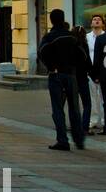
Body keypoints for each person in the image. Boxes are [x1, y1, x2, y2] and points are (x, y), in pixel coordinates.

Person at [38, 10, 89, 151]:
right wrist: (73, 67)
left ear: (51, 20)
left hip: (56, 75)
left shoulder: (49, 37)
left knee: (58, 108)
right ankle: (79, 140)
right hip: (71, 75)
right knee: (75, 108)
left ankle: (62, 140)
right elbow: (82, 55)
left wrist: (51, 66)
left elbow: (42, 53)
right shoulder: (72, 37)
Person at [85, 15, 106, 132]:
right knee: (92, 97)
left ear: (103, 23)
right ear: (91, 23)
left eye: (99, 19)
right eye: (94, 19)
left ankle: (104, 121)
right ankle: (93, 120)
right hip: (90, 71)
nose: (96, 21)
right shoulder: (87, 37)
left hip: (103, 71)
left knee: (104, 97)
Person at [72, 25, 95, 135]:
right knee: (87, 104)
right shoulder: (84, 46)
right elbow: (88, 63)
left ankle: (74, 126)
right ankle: (84, 127)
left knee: (73, 104)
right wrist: (94, 76)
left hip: (70, 78)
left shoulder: (69, 46)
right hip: (82, 78)